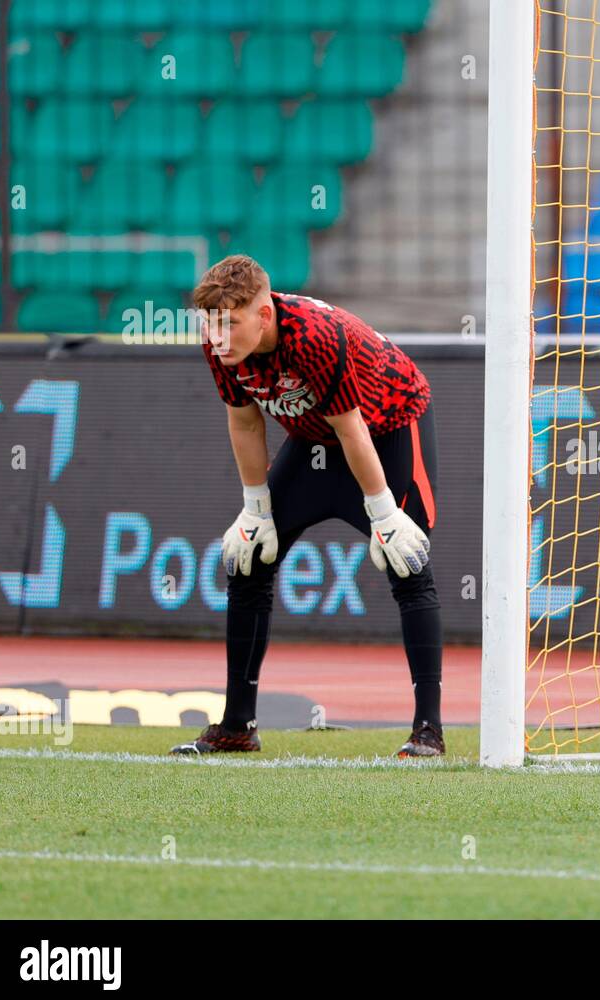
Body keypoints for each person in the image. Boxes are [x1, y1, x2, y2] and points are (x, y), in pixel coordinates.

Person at [171, 255, 445, 758]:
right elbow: (245, 423)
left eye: (229, 324)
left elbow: (352, 429)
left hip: (385, 427)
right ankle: (237, 725)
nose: (217, 336)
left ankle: (428, 730)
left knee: (409, 564)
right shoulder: (220, 344)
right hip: (315, 435)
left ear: (265, 316)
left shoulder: (314, 337)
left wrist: (383, 514)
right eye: (209, 325)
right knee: (249, 561)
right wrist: (255, 508)